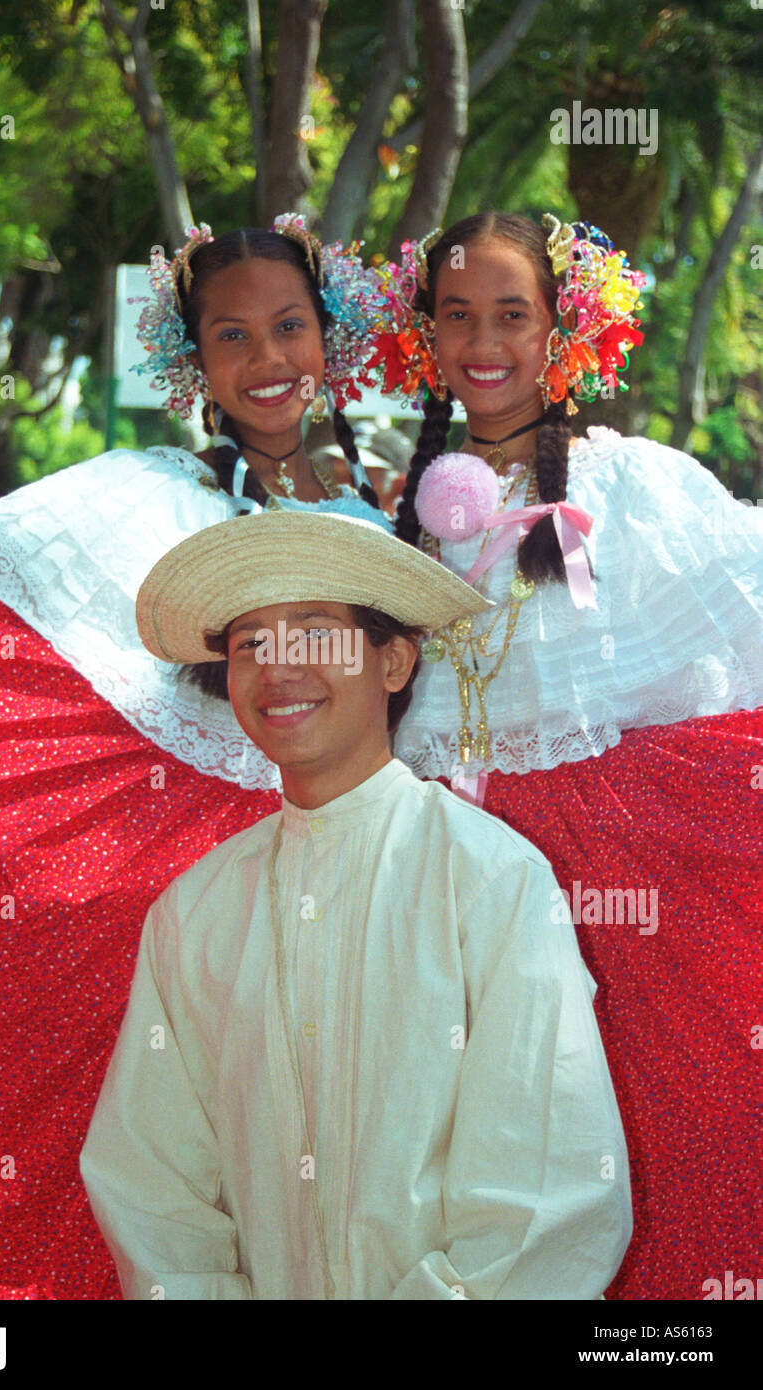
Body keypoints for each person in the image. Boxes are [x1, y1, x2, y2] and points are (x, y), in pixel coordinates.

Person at [0, 215, 391, 1298]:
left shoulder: (397, 512)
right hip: (153, 900)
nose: (266, 357)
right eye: (230, 336)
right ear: (194, 365)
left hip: (340, 892)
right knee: (143, 1167)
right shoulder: (146, 486)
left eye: (288, 326)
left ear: (331, 339)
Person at [79, 507, 632, 1300]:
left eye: (314, 635)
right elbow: (152, 1188)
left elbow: (550, 1196)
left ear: (396, 661)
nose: (278, 671)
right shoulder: (191, 914)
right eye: (250, 646)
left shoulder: (492, 882)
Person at [373, 210, 763, 1300]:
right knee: (464, 1159)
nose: (483, 340)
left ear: (561, 331)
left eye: (512, 314)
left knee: (641, 1138)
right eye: (456, 315)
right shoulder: (394, 513)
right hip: (440, 889)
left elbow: (746, 598)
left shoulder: (628, 485)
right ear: (426, 336)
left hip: (616, 890)